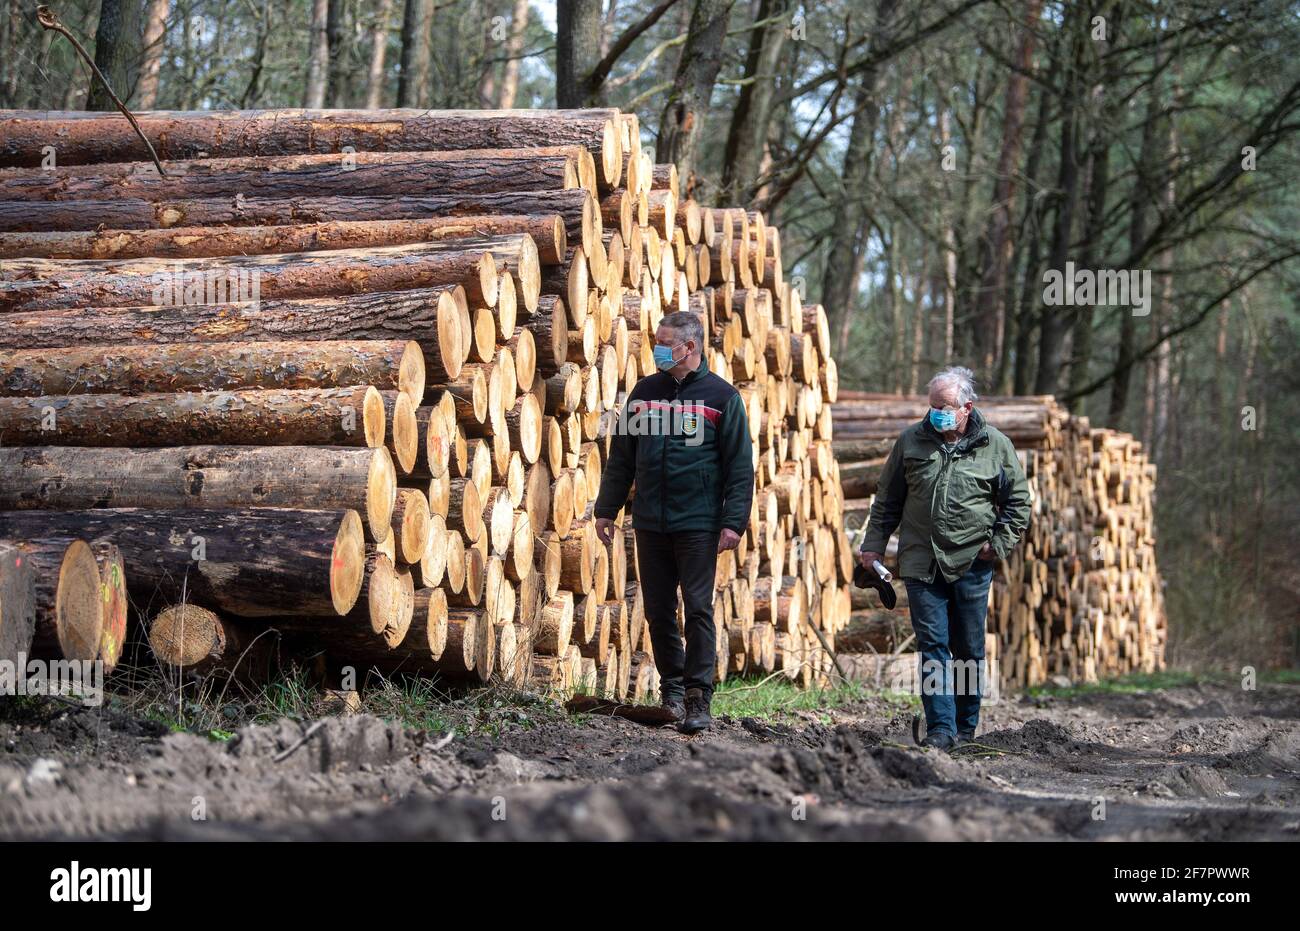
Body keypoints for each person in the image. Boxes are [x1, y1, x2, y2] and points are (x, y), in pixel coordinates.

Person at [593, 311, 755, 733]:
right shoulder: (644, 393)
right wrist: (607, 509)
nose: (658, 349)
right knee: (659, 610)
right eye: (656, 342)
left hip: (698, 524)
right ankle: (674, 691)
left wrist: (732, 522)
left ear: (691, 347)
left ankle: (700, 697)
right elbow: (622, 457)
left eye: (666, 343)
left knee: (698, 609)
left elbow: (740, 468)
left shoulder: (722, 398)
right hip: (649, 522)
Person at [858, 367, 1030, 749]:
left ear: (967, 407)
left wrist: (996, 545)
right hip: (921, 561)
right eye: (932, 405)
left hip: (972, 562)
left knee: (967, 647)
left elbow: (1018, 504)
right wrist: (873, 546)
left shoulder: (995, 446)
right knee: (933, 645)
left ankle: (966, 728)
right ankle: (941, 729)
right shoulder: (911, 442)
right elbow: (887, 500)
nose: (936, 413)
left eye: (945, 406)